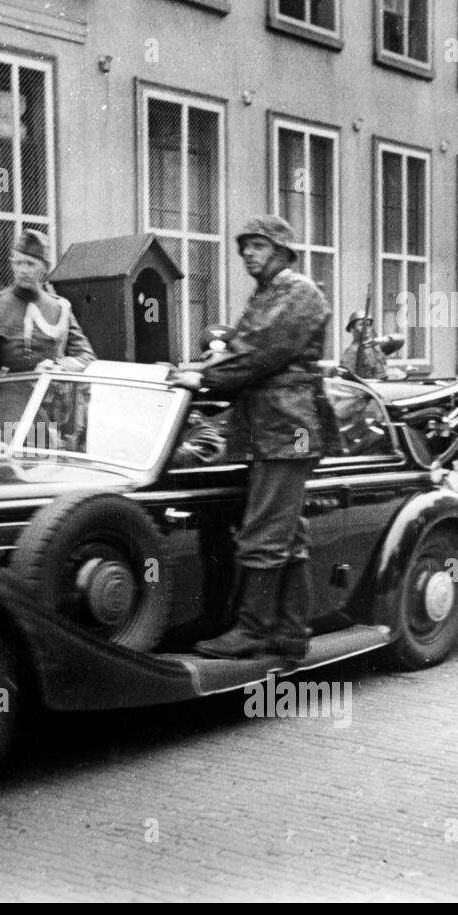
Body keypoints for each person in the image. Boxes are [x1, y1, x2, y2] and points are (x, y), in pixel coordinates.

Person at [172, 215, 336, 662]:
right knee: (286, 532)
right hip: (274, 427)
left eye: (257, 246)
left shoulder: (298, 292)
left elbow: (257, 353)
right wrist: (198, 369)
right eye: (244, 246)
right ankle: (288, 633)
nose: (247, 253)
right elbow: (238, 348)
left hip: (287, 428)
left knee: (264, 531)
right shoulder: (269, 293)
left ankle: (252, 632)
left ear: (282, 251)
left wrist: (199, 377)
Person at [0, 229, 97, 393]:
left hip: (46, 408)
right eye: (18, 263)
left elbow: (87, 357)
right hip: (1, 407)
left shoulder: (60, 309)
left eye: (31, 264)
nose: (23, 270)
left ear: (45, 268)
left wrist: (58, 367)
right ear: (12, 264)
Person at [341, 311, 388, 379]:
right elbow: (349, 379)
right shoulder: (350, 353)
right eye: (361, 325)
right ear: (352, 329)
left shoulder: (375, 350)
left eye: (368, 325)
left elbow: (382, 373)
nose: (366, 328)